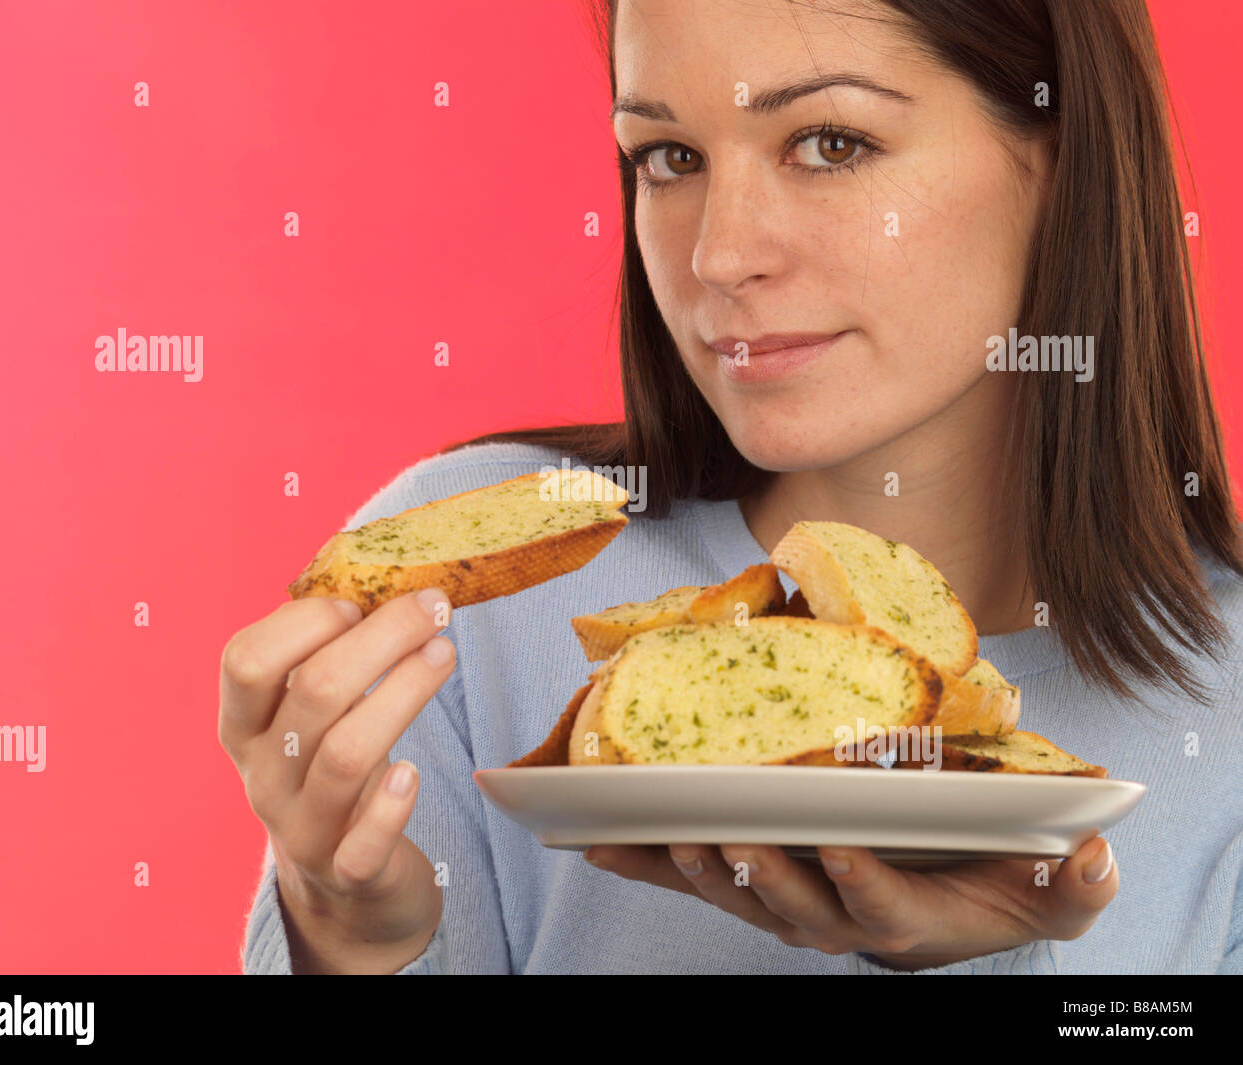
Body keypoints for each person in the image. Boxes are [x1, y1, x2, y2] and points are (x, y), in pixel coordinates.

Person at [221, 0, 1243, 973]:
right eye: (668, 158)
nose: (720, 255)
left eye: (829, 144)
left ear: (1063, 156)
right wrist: (351, 943)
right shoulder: (472, 609)